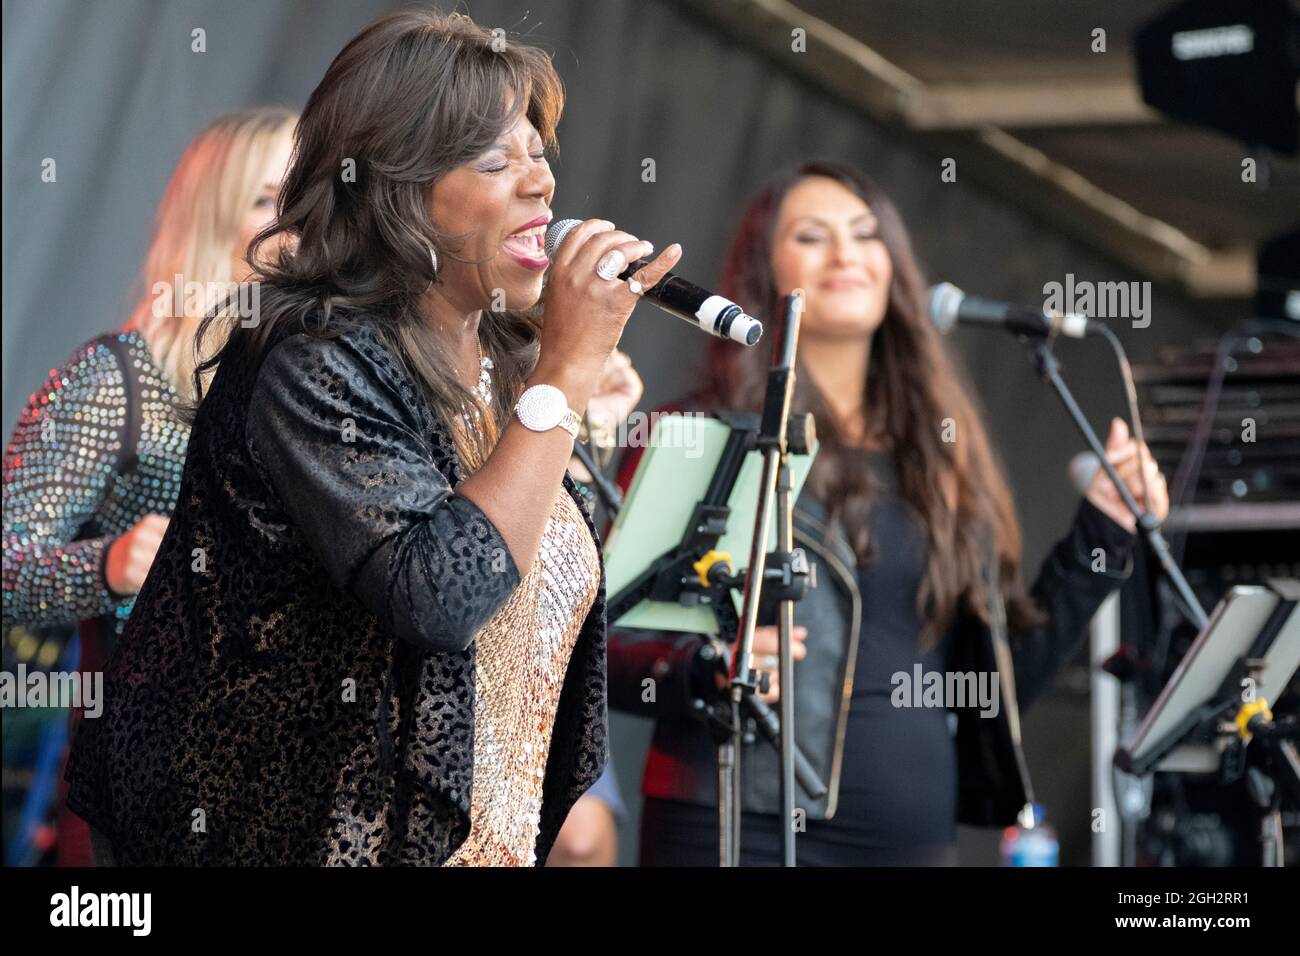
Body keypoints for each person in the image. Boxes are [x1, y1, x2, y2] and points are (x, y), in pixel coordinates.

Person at [64, 8, 681, 867]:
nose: (540, 184)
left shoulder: (509, 374)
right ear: (396, 189)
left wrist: (559, 390)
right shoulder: (313, 359)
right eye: (497, 159)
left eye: (539, 156)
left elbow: (541, 607)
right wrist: (565, 376)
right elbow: (439, 595)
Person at [607, 161, 1169, 866]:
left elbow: (992, 688)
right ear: (762, 270)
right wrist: (699, 664)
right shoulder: (703, 436)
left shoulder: (939, 451)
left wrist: (1105, 533)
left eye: (866, 234)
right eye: (813, 236)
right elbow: (597, 642)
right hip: (737, 826)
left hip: (913, 837)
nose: (846, 253)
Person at [2, 106, 296, 865]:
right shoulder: (118, 380)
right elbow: (7, 562)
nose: (292, 225)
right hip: (149, 774)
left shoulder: (329, 388)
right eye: (267, 199)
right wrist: (107, 565)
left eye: (308, 199)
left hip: (293, 771)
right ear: (214, 217)